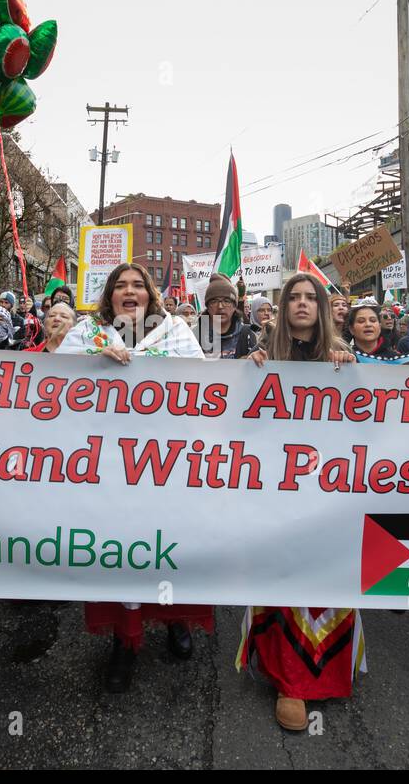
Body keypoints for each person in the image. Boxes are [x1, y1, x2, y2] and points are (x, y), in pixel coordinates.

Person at [57, 262, 213, 692]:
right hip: (107, 469)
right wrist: (91, 363)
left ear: (149, 294)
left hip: (166, 465)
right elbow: (50, 387)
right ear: (109, 296)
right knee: (121, 549)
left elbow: (206, 388)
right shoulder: (87, 334)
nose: (130, 292)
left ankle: (174, 621)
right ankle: (124, 642)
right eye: (120, 286)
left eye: (138, 285)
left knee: (168, 542)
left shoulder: (176, 331)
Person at [240, 273, 362, 731]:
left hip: (330, 492)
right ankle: (289, 680)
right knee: (284, 580)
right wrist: (248, 372)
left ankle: (328, 670)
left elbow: (368, 423)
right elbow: (237, 421)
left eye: (313, 297)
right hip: (276, 491)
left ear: (324, 309)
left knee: (328, 579)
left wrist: (352, 369)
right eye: (296, 297)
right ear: (284, 305)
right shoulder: (258, 357)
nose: (304, 304)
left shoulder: (344, 360)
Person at [197, 274, 257, 359]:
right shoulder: (195, 335)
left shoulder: (247, 334)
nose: (220, 306)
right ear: (207, 306)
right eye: (214, 301)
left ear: (234, 306)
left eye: (226, 301)